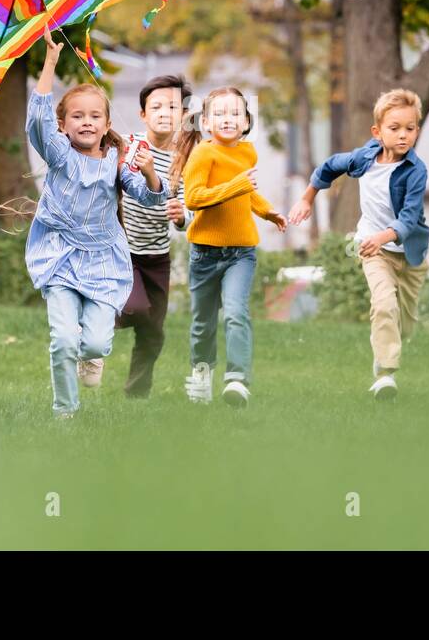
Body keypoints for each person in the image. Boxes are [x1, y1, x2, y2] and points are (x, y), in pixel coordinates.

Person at [25, 26, 166, 417]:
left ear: (106, 125)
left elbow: (151, 196)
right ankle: (64, 414)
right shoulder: (58, 156)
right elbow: (36, 121)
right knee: (64, 340)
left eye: (94, 116)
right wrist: (51, 62)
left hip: (104, 262)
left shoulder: (115, 163)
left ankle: (94, 356)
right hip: (59, 257)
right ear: (64, 125)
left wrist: (151, 170)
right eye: (77, 116)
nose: (86, 122)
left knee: (96, 344)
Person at [288, 89, 429, 400]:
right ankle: (385, 376)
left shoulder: (416, 172)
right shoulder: (363, 159)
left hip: (409, 254)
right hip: (373, 249)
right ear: (377, 132)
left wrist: (385, 235)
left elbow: (408, 218)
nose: (403, 135)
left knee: (405, 325)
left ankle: (387, 348)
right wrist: (307, 198)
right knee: (384, 305)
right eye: (395, 128)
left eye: (410, 128)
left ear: (417, 130)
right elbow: (328, 167)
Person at [174, 86, 286, 407]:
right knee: (202, 324)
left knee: (236, 313)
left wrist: (267, 211)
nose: (228, 119)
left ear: (246, 121)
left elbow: (246, 193)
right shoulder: (203, 154)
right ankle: (202, 372)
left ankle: (237, 380)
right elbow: (194, 198)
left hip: (241, 252)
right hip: (205, 253)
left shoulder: (248, 152)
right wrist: (237, 184)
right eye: (220, 114)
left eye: (235, 113)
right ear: (206, 123)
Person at [110, 74, 194, 398]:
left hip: (157, 256)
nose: (164, 112)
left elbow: (187, 209)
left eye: (172, 106)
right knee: (137, 309)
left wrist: (182, 217)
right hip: (122, 249)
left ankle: (136, 395)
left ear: (183, 115)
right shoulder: (128, 147)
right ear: (143, 114)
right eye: (156, 106)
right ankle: (94, 321)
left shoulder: (185, 160)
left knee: (154, 332)